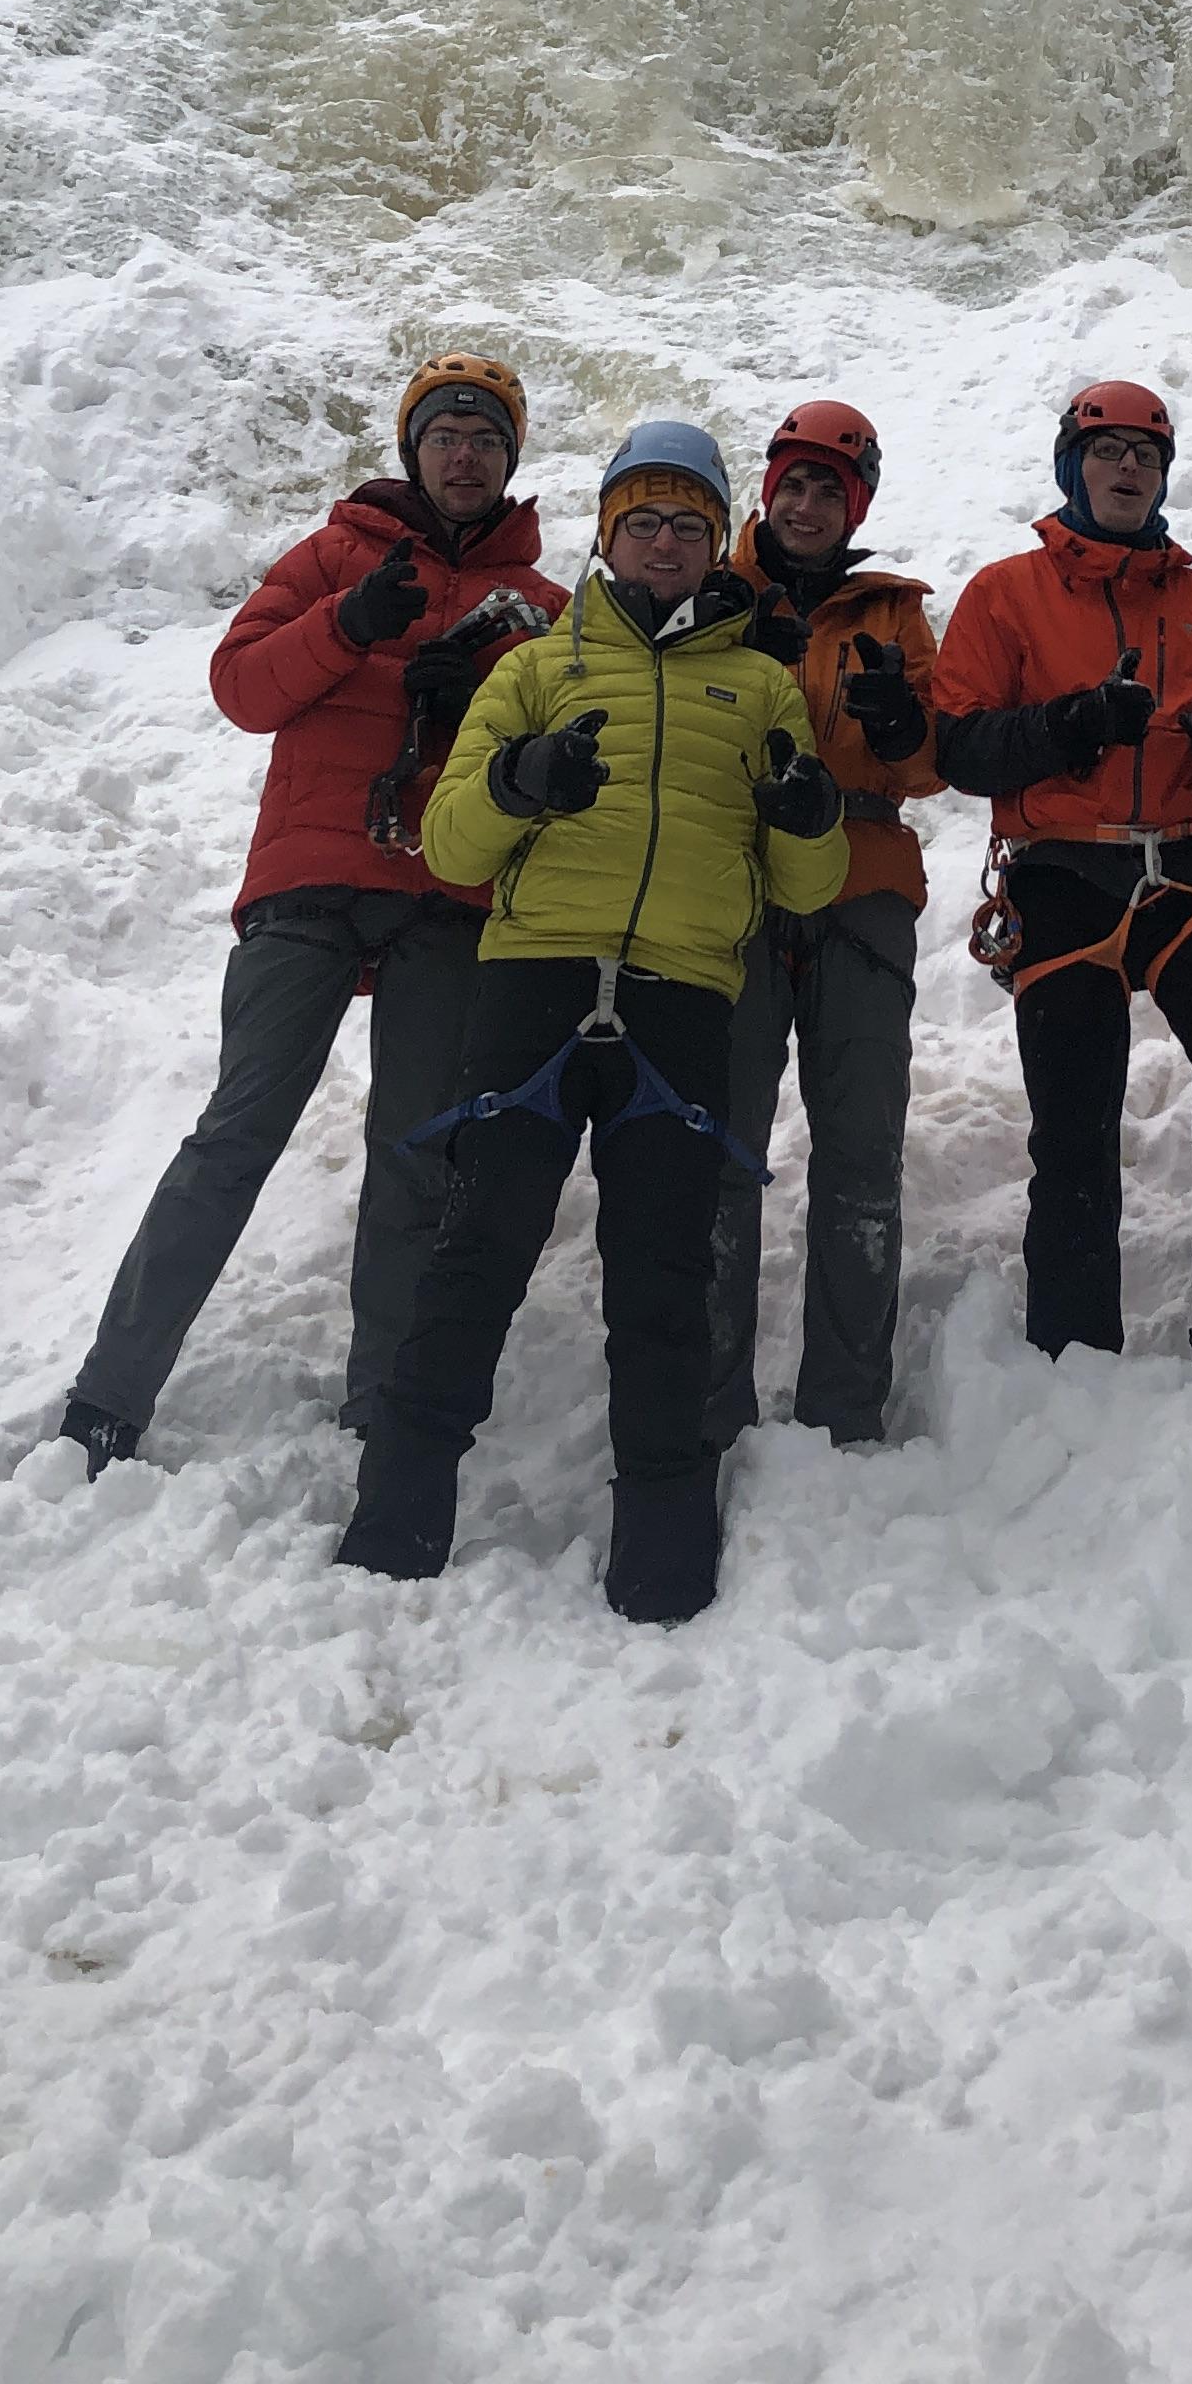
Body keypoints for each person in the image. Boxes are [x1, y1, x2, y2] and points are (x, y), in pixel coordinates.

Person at [334, 420, 849, 1622]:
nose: (665, 543)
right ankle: (395, 1523)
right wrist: (520, 785)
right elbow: (454, 844)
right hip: (533, 985)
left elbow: (807, 889)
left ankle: (663, 1561)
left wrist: (810, 812)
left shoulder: (764, 685)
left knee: (663, 1278)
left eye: (687, 524)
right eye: (642, 522)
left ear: (719, 543)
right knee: (477, 1254)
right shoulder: (534, 668)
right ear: (609, 537)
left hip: (681, 998)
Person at [52, 360, 565, 1475]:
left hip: (446, 895)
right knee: (236, 1136)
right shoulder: (337, 555)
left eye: (485, 437)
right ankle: (110, 1393)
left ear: (510, 460)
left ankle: (382, 1404)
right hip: (313, 884)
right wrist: (347, 623)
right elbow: (242, 688)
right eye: (445, 435)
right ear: (412, 450)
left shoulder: (543, 607)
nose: (464, 453)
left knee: (417, 1155)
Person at [931, 380, 1192, 1365]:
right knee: (1075, 1125)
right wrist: (1072, 724)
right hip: (1059, 869)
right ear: (1073, 468)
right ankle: (1074, 1353)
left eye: (1146, 453)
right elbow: (957, 748)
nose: (1128, 467)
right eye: (1108, 451)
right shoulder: (1005, 593)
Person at [706, 402, 944, 1453]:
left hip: (861, 884)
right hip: (737, 891)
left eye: (829, 490)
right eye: (793, 483)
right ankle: (709, 1398)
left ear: (857, 506)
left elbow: (934, 762)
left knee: (860, 1156)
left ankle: (845, 1406)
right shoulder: (709, 587)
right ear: (767, 490)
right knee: (721, 1148)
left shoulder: (893, 613)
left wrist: (900, 727)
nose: (805, 505)